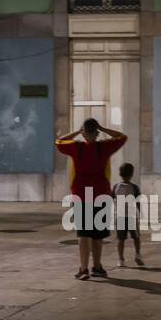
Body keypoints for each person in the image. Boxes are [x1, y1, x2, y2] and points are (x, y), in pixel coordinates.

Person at [56, 117, 126, 280]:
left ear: (84, 134)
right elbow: (122, 137)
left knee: (83, 234)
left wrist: (77, 132)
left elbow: (59, 141)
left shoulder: (76, 148)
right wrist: (104, 128)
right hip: (101, 193)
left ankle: (83, 269)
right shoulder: (104, 147)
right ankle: (97, 266)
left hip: (82, 194)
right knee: (97, 234)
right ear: (97, 133)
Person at [112, 162, 145, 268]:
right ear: (132, 174)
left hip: (120, 216)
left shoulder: (116, 187)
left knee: (120, 239)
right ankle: (138, 255)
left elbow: (111, 199)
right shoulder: (134, 188)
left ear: (120, 174)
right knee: (136, 237)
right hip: (131, 216)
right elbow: (138, 202)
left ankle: (121, 259)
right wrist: (140, 213)